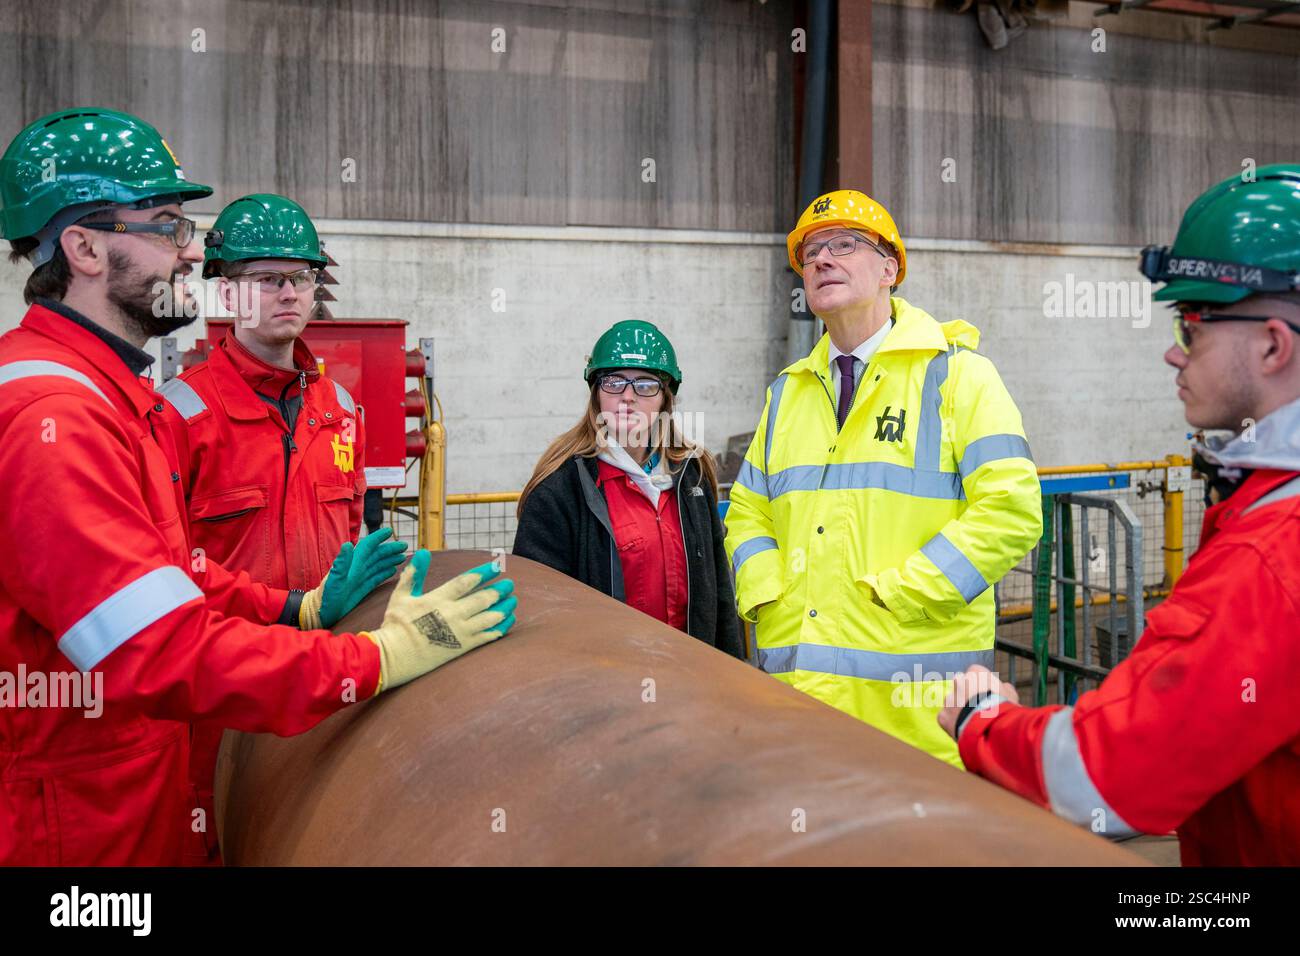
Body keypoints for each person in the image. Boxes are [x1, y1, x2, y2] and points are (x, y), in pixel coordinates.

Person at [0, 107, 516, 865]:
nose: (187, 254)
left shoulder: (115, 396)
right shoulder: (59, 416)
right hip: (86, 822)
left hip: (159, 762)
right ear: (82, 246)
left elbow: (170, 579)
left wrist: (299, 609)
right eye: (170, 226)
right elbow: (158, 646)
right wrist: (377, 660)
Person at [940, 165, 1300, 865]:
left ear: (1273, 344)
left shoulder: (1273, 552)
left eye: (1191, 323)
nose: (1173, 349)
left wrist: (982, 720)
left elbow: (1112, 775)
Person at [724, 189, 1041, 766]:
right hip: (797, 711)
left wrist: (901, 593)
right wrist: (767, 590)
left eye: (843, 244)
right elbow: (748, 510)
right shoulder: (787, 392)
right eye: (811, 252)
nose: (821, 259)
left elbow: (1011, 510)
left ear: (890, 268)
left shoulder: (959, 376)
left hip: (917, 722)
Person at [157, 193, 372, 862]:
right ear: (225, 291)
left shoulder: (339, 409)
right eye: (266, 278)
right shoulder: (178, 413)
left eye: (301, 277)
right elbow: (166, 572)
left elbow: (356, 536)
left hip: (322, 685)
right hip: (216, 706)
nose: (288, 292)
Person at [513, 320, 743, 659]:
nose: (628, 398)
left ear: (666, 398)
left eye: (646, 385)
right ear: (596, 395)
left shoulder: (691, 477)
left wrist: (731, 676)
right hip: (604, 689)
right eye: (614, 382)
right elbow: (539, 611)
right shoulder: (560, 488)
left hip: (693, 680)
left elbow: (719, 592)